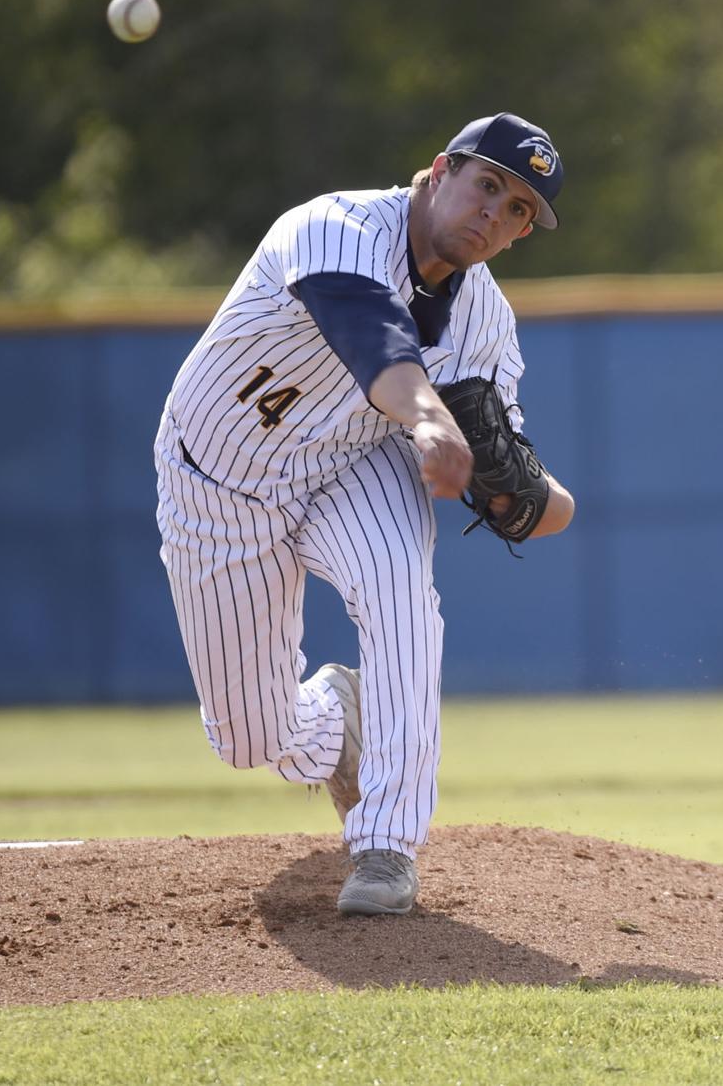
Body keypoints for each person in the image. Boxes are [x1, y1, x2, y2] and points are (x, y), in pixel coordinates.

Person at [154, 113, 575, 916]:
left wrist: (543, 504)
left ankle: (387, 843)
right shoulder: (334, 227)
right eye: (487, 184)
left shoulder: (484, 319)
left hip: (353, 467)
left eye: (518, 208)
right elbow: (372, 332)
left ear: (521, 234)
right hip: (218, 481)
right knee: (248, 739)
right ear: (439, 170)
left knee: (397, 586)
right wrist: (427, 421)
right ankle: (337, 716)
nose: (496, 212)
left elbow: (521, 479)